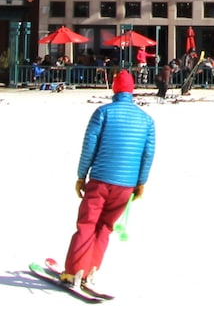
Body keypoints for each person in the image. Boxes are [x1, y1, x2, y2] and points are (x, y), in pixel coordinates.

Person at [62, 70, 155, 290]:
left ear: (114, 88)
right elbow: (148, 154)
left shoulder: (103, 113)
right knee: (105, 226)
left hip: (100, 179)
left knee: (87, 224)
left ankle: (74, 271)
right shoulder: (146, 120)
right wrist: (141, 182)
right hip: (126, 184)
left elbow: (89, 147)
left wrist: (80, 175)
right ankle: (92, 267)